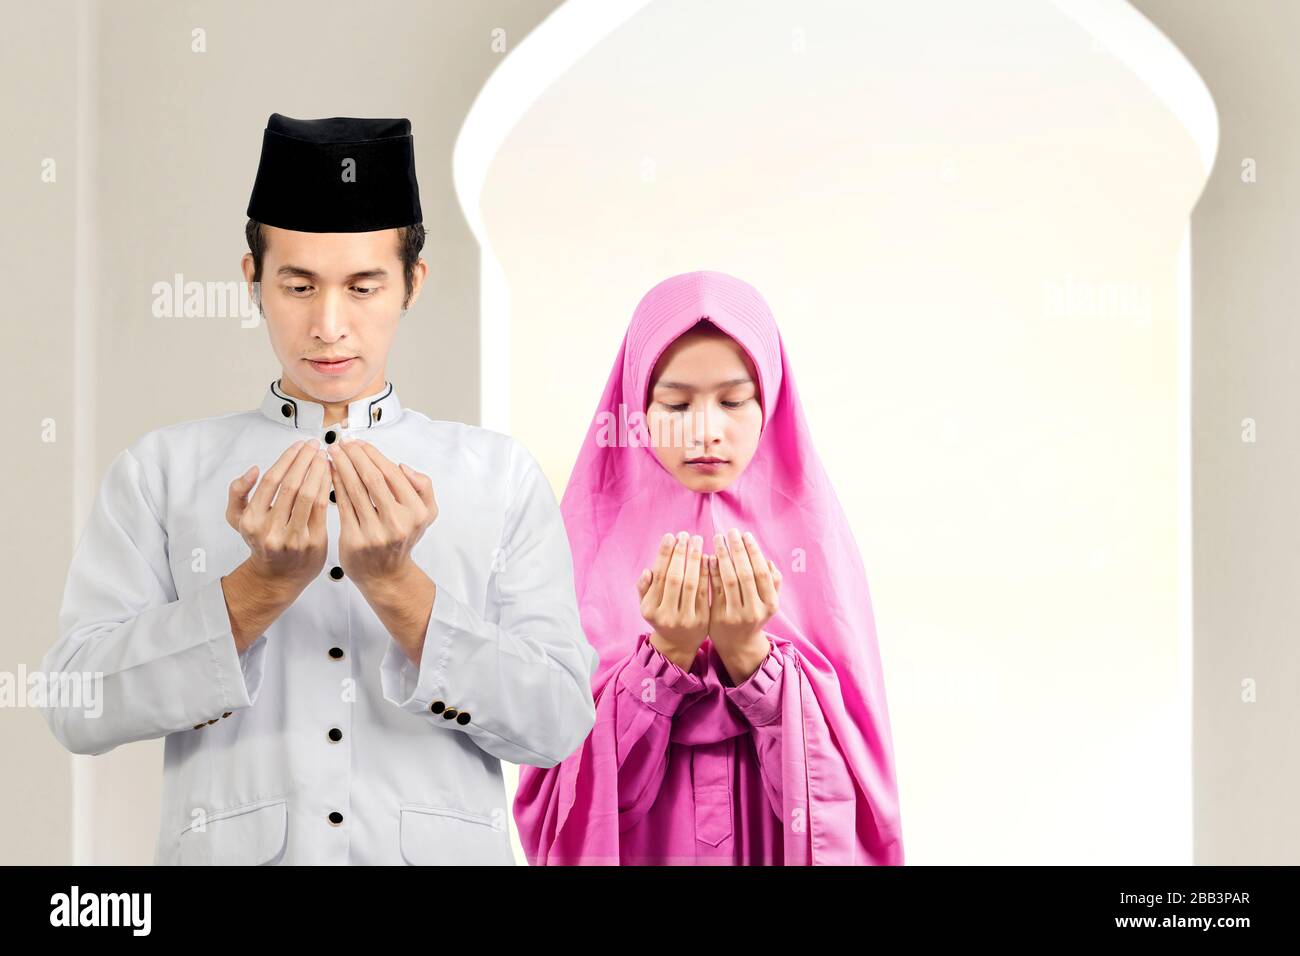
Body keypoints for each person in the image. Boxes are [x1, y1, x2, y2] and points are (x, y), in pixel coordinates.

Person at [40, 113, 598, 865]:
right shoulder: (161, 471)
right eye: (298, 285)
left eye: (364, 286)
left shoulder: (497, 475)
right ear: (253, 281)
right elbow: (78, 703)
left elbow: (558, 722)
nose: (329, 325)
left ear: (412, 284)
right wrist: (253, 592)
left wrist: (400, 587)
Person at [512, 270, 903, 864]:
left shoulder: (815, 545)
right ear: (636, 404)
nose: (704, 430)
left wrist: (751, 657)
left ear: (769, 398)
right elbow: (561, 796)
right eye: (674, 402)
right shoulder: (581, 548)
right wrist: (666, 656)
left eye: (732, 400)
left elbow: (852, 790)